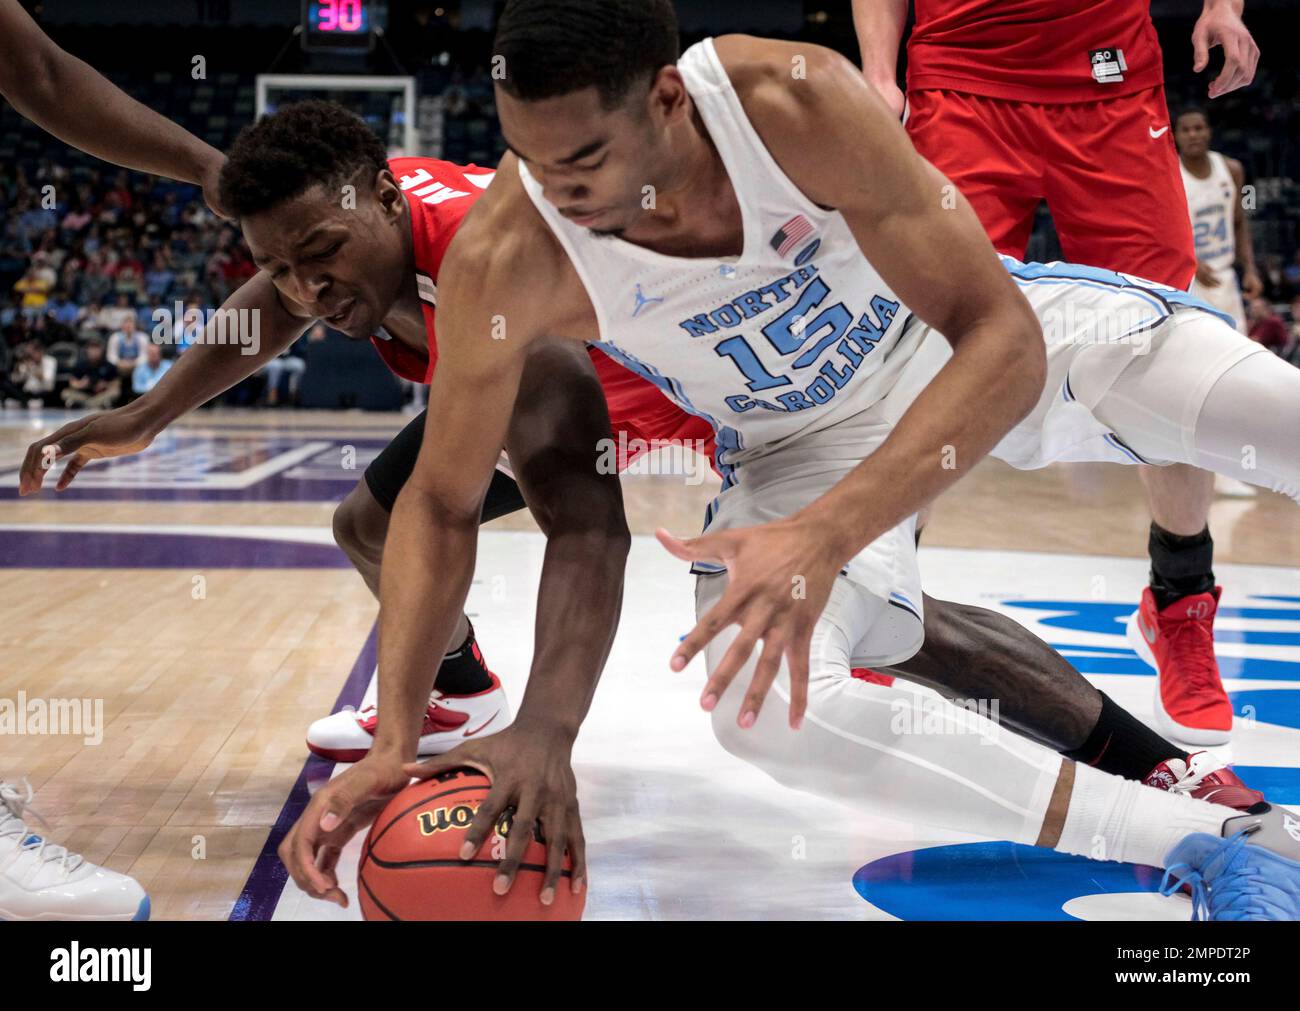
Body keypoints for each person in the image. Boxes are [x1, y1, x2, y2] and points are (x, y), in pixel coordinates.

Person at [227, 2, 1297, 917]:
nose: (559, 189)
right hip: (796, 442)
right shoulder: (510, 252)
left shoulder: (788, 98)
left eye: (585, 160)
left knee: (1272, 416)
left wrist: (828, 536)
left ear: (666, 98)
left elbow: (998, 336)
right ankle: (1202, 847)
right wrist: (404, 739)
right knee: (764, 710)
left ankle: (1170, 647)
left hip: (972, 339)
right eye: (530, 156)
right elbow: (441, 503)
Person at [854, 0, 1262, 749]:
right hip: (959, 76)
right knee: (925, 350)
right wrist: (880, 73)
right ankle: (887, 606)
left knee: (1165, 345)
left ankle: (1179, 602)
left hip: (1109, 78)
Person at [1175, 107, 1262, 333]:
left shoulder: (1232, 169)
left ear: (1209, 132)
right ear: (1175, 136)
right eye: (1185, 130)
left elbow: (1240, 221)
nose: (1193, 134)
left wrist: (1250, 268)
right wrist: (1190, 260)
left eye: (1198, 128)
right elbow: (1162, 231)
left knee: (1237, 351)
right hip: (1189, 279)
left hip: (1224, 275)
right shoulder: (1170, 175)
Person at [61, 338, 120, 410]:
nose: (94, 352)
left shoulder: (109, 366)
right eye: (92, 349)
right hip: (84, 394)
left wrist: (105, 385)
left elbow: (116, 383)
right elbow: (72, 382)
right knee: (65, 393)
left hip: (101, 394)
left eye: (96, 349)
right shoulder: (80, 365)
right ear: (87, 350)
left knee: (115, 392)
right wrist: (80, 384)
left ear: (101, 350)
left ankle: (89, 404)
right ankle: (91, 404)